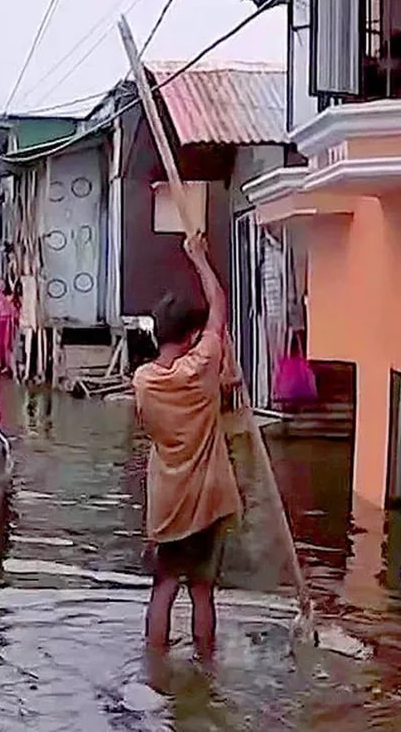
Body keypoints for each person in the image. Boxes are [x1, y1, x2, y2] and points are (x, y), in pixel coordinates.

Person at [131, 232, 242, 658]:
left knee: (163, 587)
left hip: (168, 497)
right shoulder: (201, 367)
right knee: (201, 592)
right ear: (192, 334)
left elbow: (211, 320)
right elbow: (220, 307)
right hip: (209, 493)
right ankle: (205, 665)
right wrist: (198, 257)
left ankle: (155, 665)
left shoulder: (144, 381)